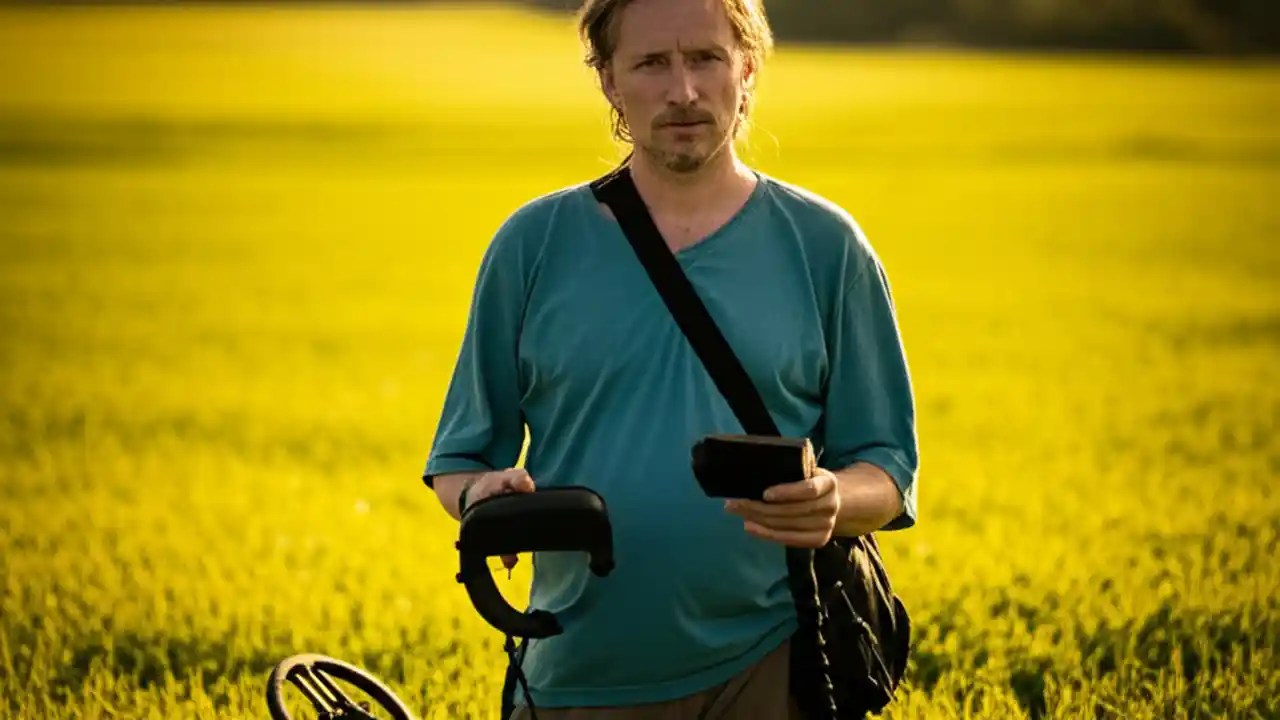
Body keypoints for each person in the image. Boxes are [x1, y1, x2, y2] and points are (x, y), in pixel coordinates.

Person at [420, 0, 920, 717]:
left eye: (706, 59)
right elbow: (461, 458)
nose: (682, 91)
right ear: (608, 81)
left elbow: (887, 467)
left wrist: (835, 500)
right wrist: (481, 498)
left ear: (747, 67)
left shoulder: (826, 247)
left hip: (774, 661)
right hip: (574, 668)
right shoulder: (531, 246)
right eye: (652, 63)